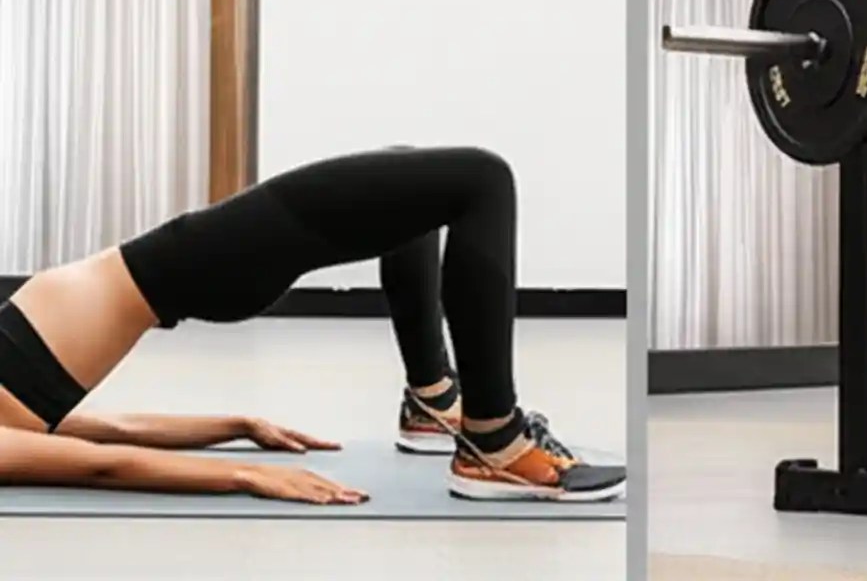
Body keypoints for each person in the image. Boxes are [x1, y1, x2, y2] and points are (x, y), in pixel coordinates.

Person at [0, 146, 625, 504]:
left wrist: (235, 426)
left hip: (190, 264)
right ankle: (495, 442)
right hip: (196, 264)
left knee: (415, 183)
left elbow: (100, 430)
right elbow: (95, 464)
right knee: (483, 181)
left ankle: (431, 406)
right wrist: (246, 475)